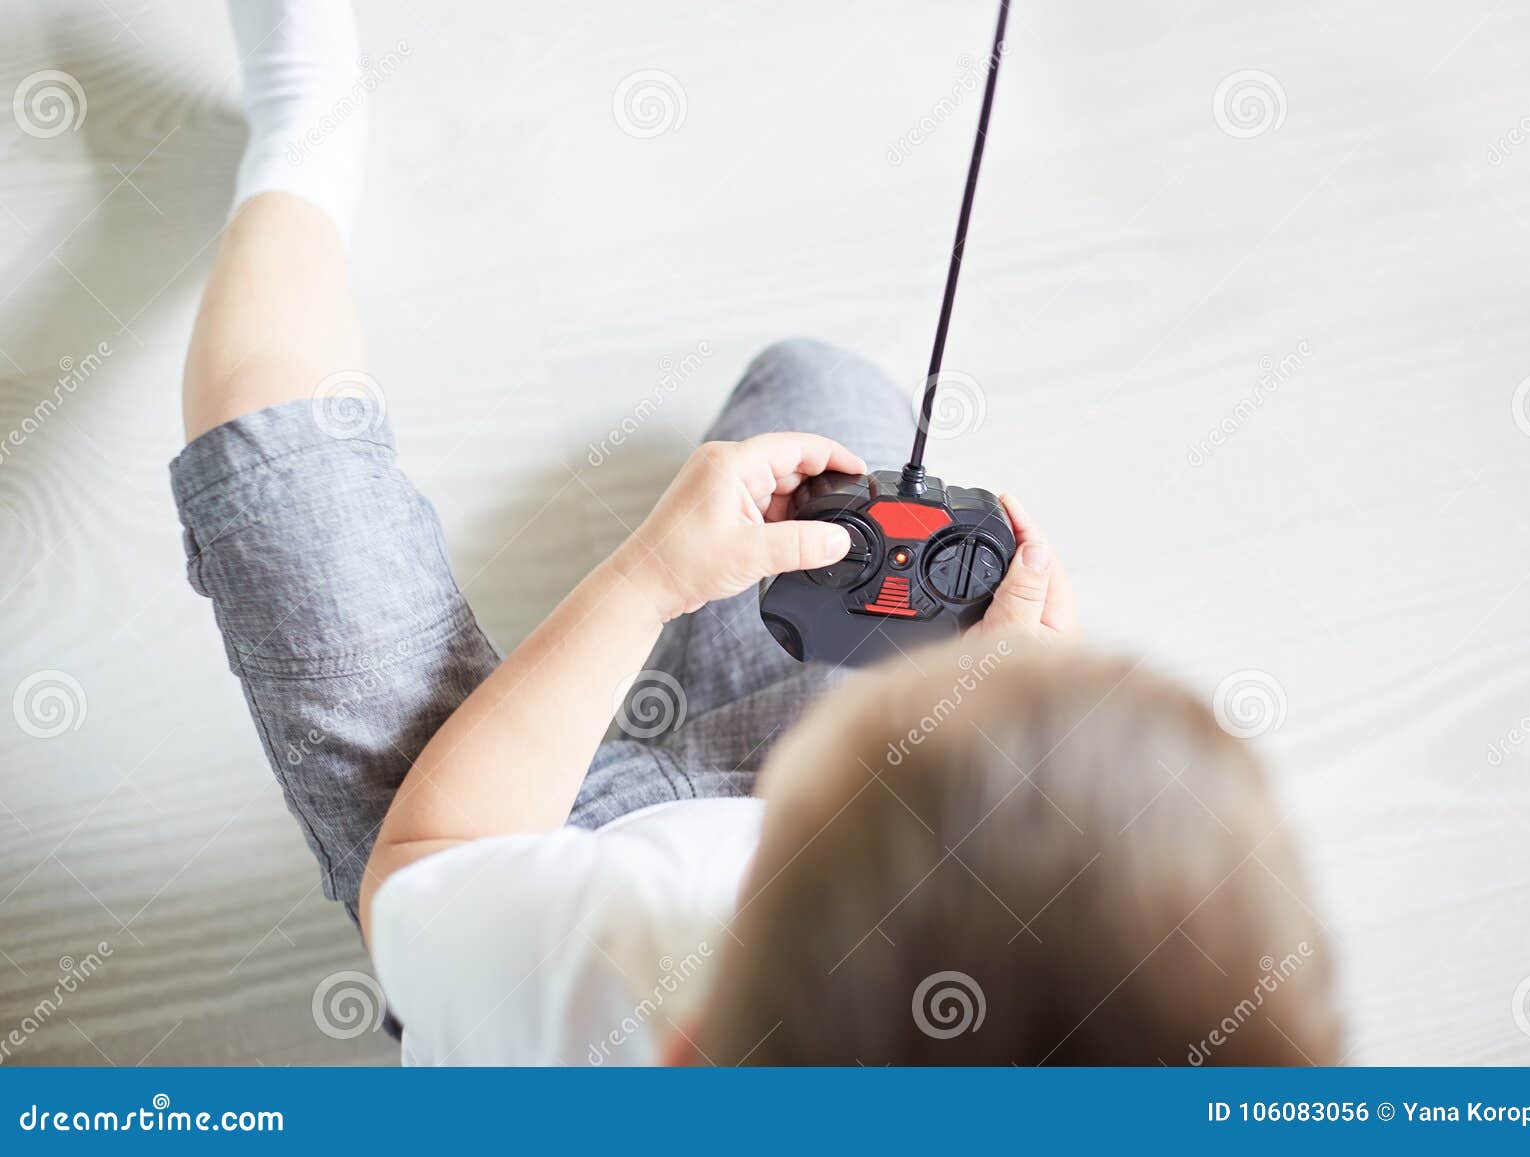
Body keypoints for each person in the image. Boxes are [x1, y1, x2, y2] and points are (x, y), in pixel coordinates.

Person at [175, 0, 1341, 1065]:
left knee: (278, 445)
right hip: (813, 805)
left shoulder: (579, 1006)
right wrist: (991, 725)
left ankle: (302, 141)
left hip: (496, 862)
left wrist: (642, 582)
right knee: (822, 388)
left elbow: (437, 854)